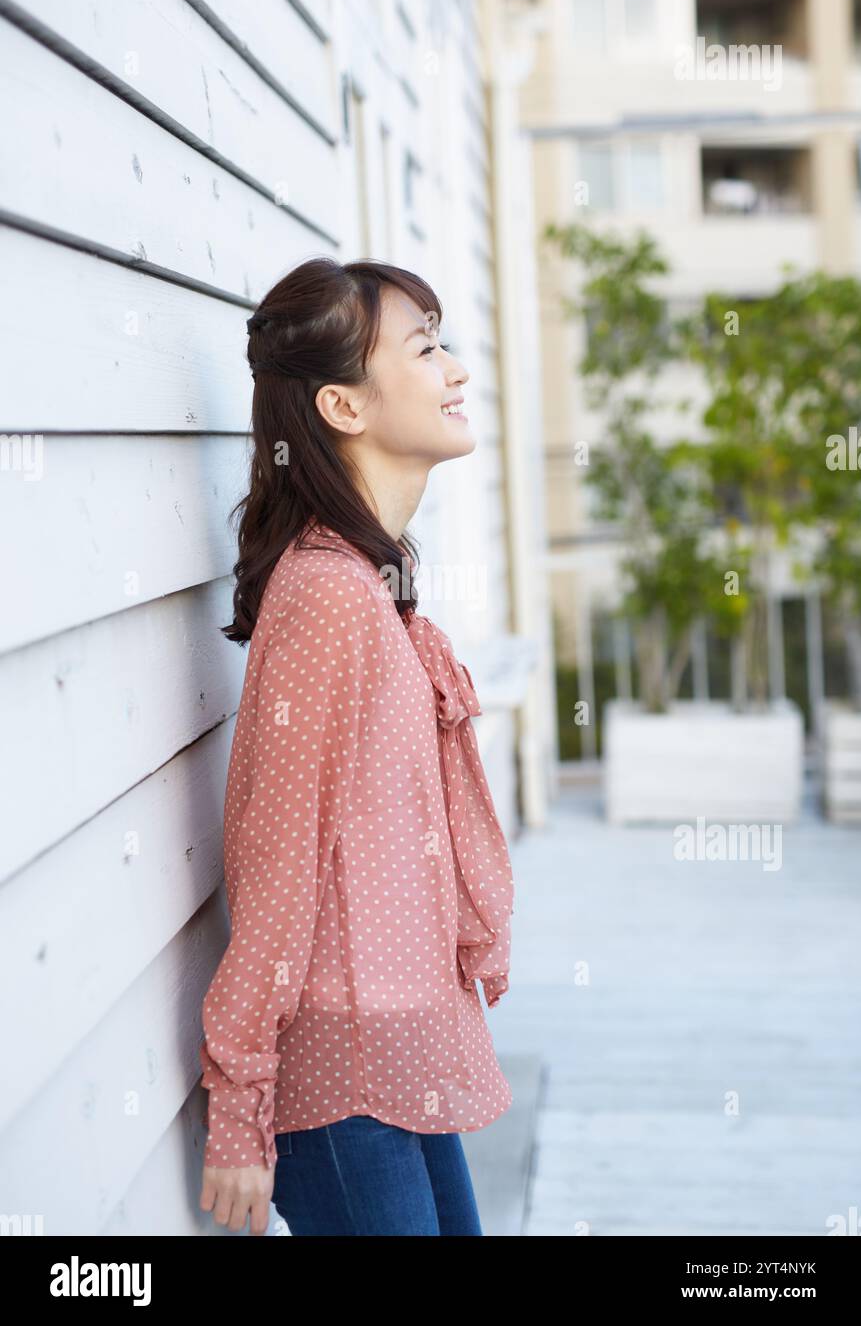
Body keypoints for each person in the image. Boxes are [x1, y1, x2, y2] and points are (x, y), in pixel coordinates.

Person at [197, 256, 515, 1236]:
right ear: (342, 403)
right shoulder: (327, 597)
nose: (456, 371)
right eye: (425, 348)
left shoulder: (367, 587)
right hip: (344, 1075)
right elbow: (274, 860)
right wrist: (241, 1108)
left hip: (402, 1050)